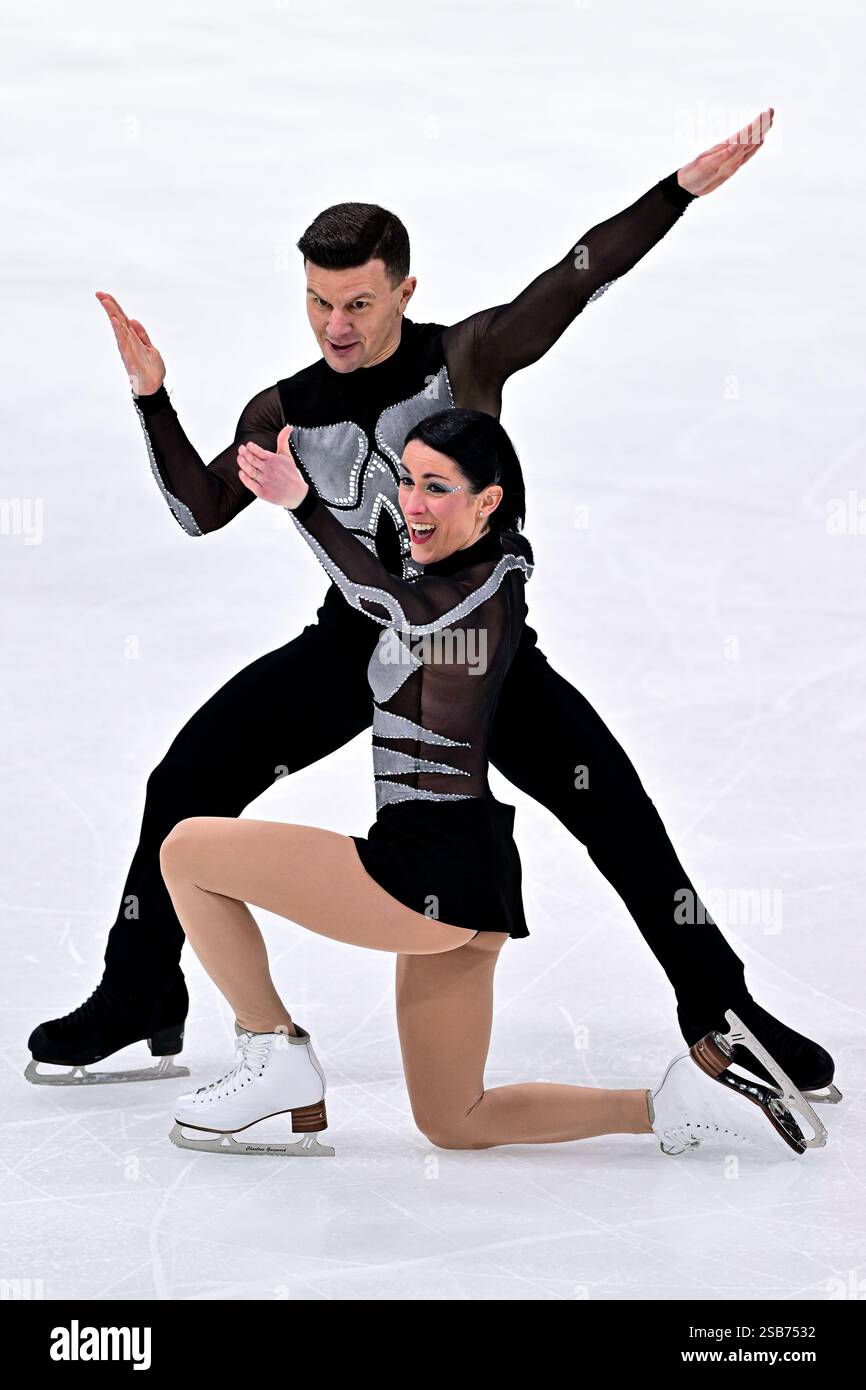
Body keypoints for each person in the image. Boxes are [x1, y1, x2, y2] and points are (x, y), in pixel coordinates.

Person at [26, 108, 839, 1107]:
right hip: (351, 651)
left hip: (473, 656)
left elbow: (576, 277)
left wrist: (675, 190)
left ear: (403, 291)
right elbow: (200, 510)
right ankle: (138, 985)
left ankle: (722, 1011)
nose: (336, 326)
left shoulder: (468, 358)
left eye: (359, 302)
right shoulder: (281, 413)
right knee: (185, 776)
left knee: (617, 816)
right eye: (319, 302)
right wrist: (153, 398)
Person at [160, 410, 819, 1160]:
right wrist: (158, 400)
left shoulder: (484, 591)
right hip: (469, 884)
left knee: (186, 848)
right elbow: (376, 582)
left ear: (489, 502)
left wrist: (302, 505)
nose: (412, 502)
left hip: (424, 870)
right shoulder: (438, 568)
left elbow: (393, 607)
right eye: (406, 480)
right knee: (455, 1119)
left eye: (437, 487)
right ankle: (676, 1102)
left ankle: (273, 1055)